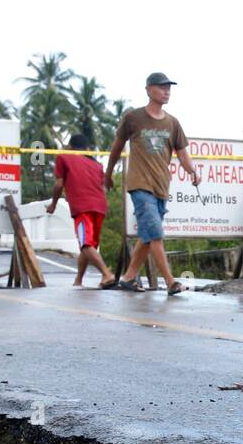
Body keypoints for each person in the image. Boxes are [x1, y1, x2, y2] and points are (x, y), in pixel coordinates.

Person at [105, 72, 201, 295]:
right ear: (148, 89)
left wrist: (193, 171)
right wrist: (108, 173)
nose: (167, 91)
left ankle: (128, 277)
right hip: (140, 184)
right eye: (161, 87)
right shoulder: (133, 118)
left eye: (169, 88)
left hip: (161, 185)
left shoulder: (172, 123)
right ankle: (170, 282)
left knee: (147, 235)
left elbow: (182, 153)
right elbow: (117, 147)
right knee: (155, 232)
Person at [47, 134, 115, 288]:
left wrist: (53, 204)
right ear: (87, 149)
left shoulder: (64, 158)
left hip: (82, 207)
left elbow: (58, 184)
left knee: (85, 244)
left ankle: (106, 274)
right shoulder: (96, 165)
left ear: (70, 146)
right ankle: (78, 280)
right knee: (88, 245)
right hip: (99, 207)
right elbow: (102, 187)